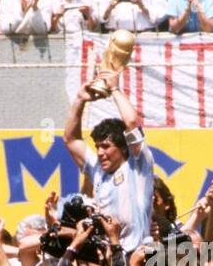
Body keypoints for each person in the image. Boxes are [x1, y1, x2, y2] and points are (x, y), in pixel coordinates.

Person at [62, 62, 154, 254]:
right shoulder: (97, 168)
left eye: (106, 146)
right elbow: (70, 139)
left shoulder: (137, 165)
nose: (100, 152)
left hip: (134, 255)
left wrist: (115, 89)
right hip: (107, 257)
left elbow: (132, 123)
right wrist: (80, 99)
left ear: (122, 148)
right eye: (97, 147)